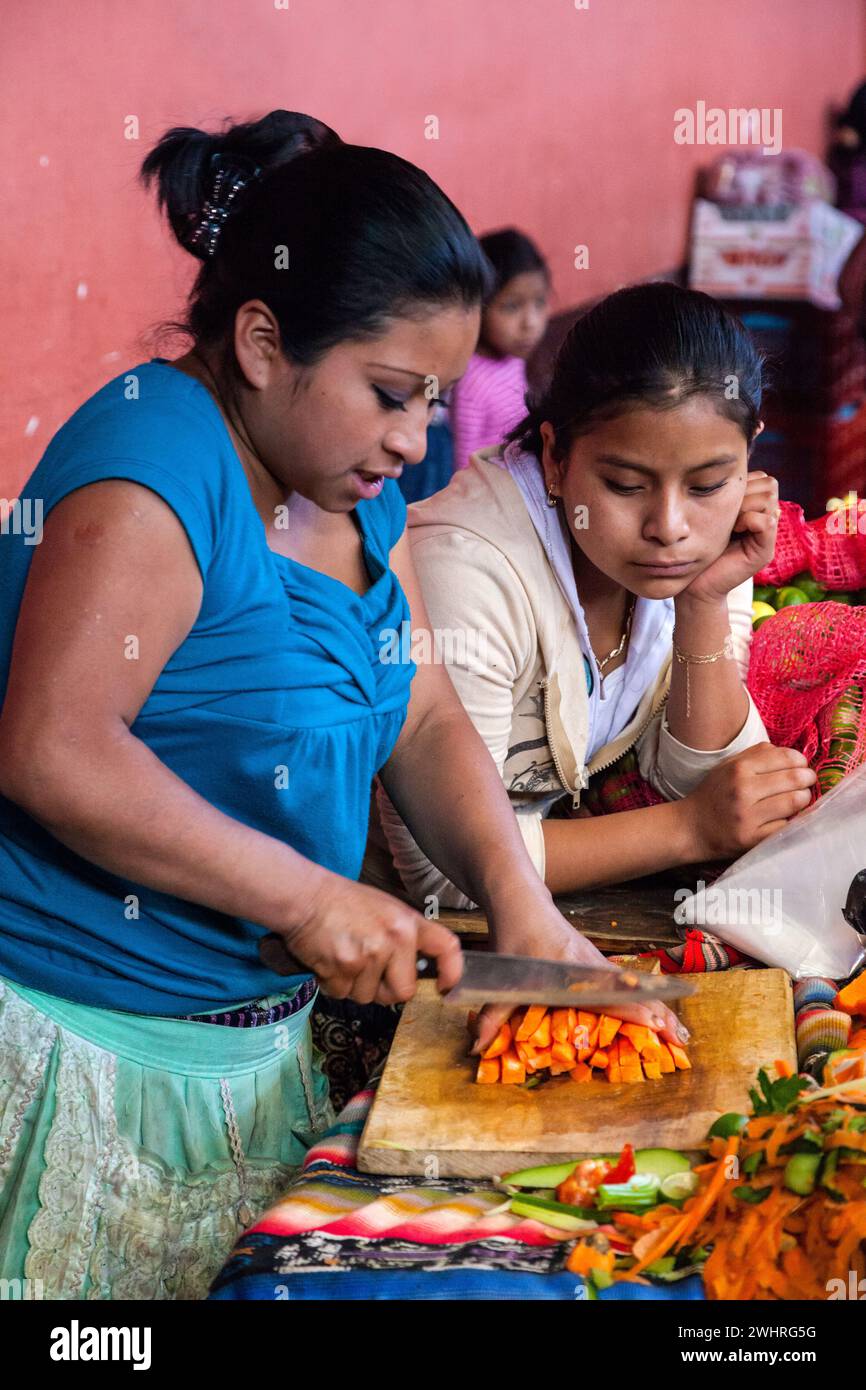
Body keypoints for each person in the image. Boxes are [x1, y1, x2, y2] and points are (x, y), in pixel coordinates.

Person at [0, 112, 681, 1300]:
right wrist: (307, 895)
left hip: (251, 1045)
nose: (415, 441)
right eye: (388, 394)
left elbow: (417, 709)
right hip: (92, 1048)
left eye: (432, 400)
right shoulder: (150, 481)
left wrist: (520, 909)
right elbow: (54, 748)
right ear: (262, 341)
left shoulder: (345, 485)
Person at [371, 283, 817, 907]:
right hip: (386, 926)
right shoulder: (470, 571)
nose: (670, 526)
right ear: (555, 457)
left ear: (749, 456)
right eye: (626, 484)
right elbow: (445, 872)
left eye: (709, 483)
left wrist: (703, 604)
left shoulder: (714, 542)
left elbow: (697, 778)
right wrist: (686, 831)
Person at [449, 228, 550, 471]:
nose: (531, 323)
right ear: (479, 306)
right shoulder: (471, 384)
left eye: (539, 302)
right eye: (512, 307)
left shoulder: (513, 358)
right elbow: (463, 464)